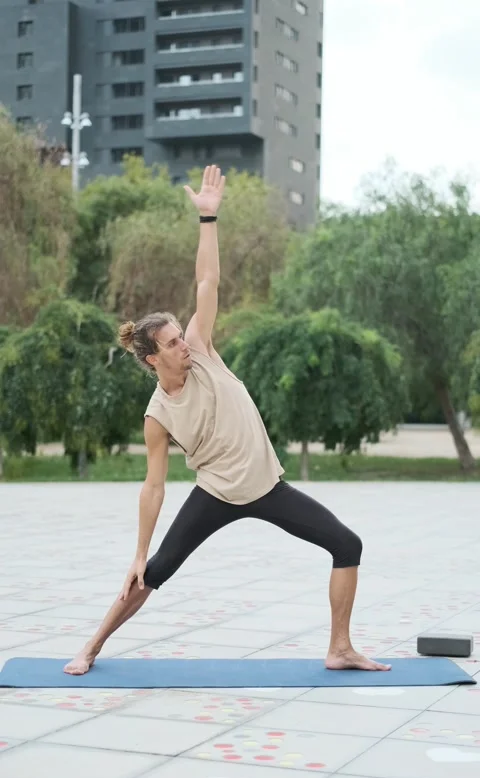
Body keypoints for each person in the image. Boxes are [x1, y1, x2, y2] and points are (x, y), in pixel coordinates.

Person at [65, 164, 390, 676]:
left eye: (181, 336)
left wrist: (209, 219)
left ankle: (340, 648)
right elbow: (153, 488)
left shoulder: (203, 351)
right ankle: (91, 646)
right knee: (152, 574)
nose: (183, 344)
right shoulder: (158, 415)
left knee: (347, 544)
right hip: (215, 493)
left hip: (267, 487)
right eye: (172, 343)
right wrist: (138, 551)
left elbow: (207, 279)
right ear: (153, 358)